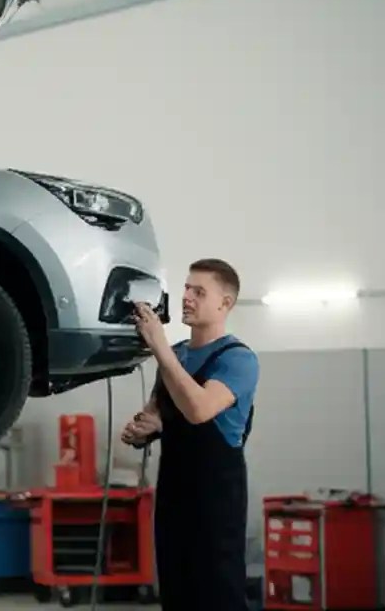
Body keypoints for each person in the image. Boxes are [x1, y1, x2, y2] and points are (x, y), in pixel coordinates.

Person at [121, 258, 260, 611]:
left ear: (224, 303)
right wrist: (146, 428)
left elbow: (199, 409)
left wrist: (159, 347)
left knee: (216, 592)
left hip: (215, 501)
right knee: (176, 590)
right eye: (186, 288)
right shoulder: (177, 354)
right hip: (173, 494)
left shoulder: (238, 359)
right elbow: (158, 411)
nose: (186, 297)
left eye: (199, 292)